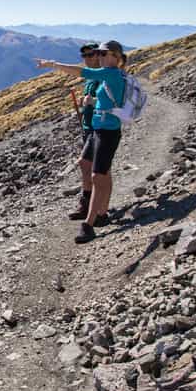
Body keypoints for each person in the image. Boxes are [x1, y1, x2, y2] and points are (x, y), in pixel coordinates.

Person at [36, 40, 127, 243]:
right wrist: (93, 102)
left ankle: (89, 224)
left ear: (114, 56)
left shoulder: (111, 73)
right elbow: (110, 100)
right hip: (97, 129)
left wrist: (52, 64)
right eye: (99, 54)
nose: (99, 57)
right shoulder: (110, 73)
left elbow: (82, 73)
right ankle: (100, 213)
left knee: (98, 176)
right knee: (87, 165)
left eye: (102, 54)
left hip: (108, 132)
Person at [68, 43, 101, 220]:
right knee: (95, 167)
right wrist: (83, 101)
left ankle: (89, 205)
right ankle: (96, 206)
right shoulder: (90, 77)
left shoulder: (103, 75)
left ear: (98, 54)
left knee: (86, 164)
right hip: (89, 126)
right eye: (84, 56)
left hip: (99, 127)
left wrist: (91, 102)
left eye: (90, 55)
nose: (87, 59)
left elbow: (109, 99)